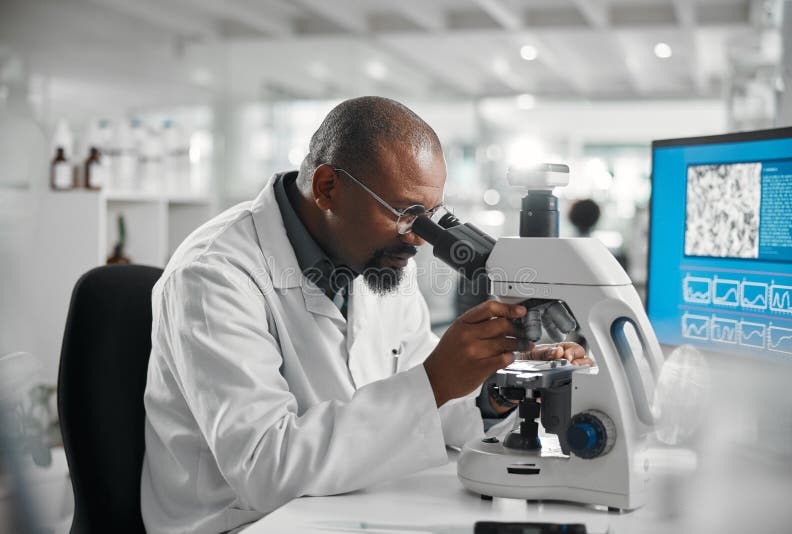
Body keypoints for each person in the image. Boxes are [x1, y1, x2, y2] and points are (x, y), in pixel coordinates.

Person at [141, 96, 591, 533]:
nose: (417, 238)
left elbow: (418, 395)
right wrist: (435, 380)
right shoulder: (213, 275)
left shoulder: (379, 261)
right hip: (244, 521)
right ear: (327, 188)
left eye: (431, 215)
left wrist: (493, 387)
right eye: (406, 212)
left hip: (354, 501)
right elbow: (264, 467)